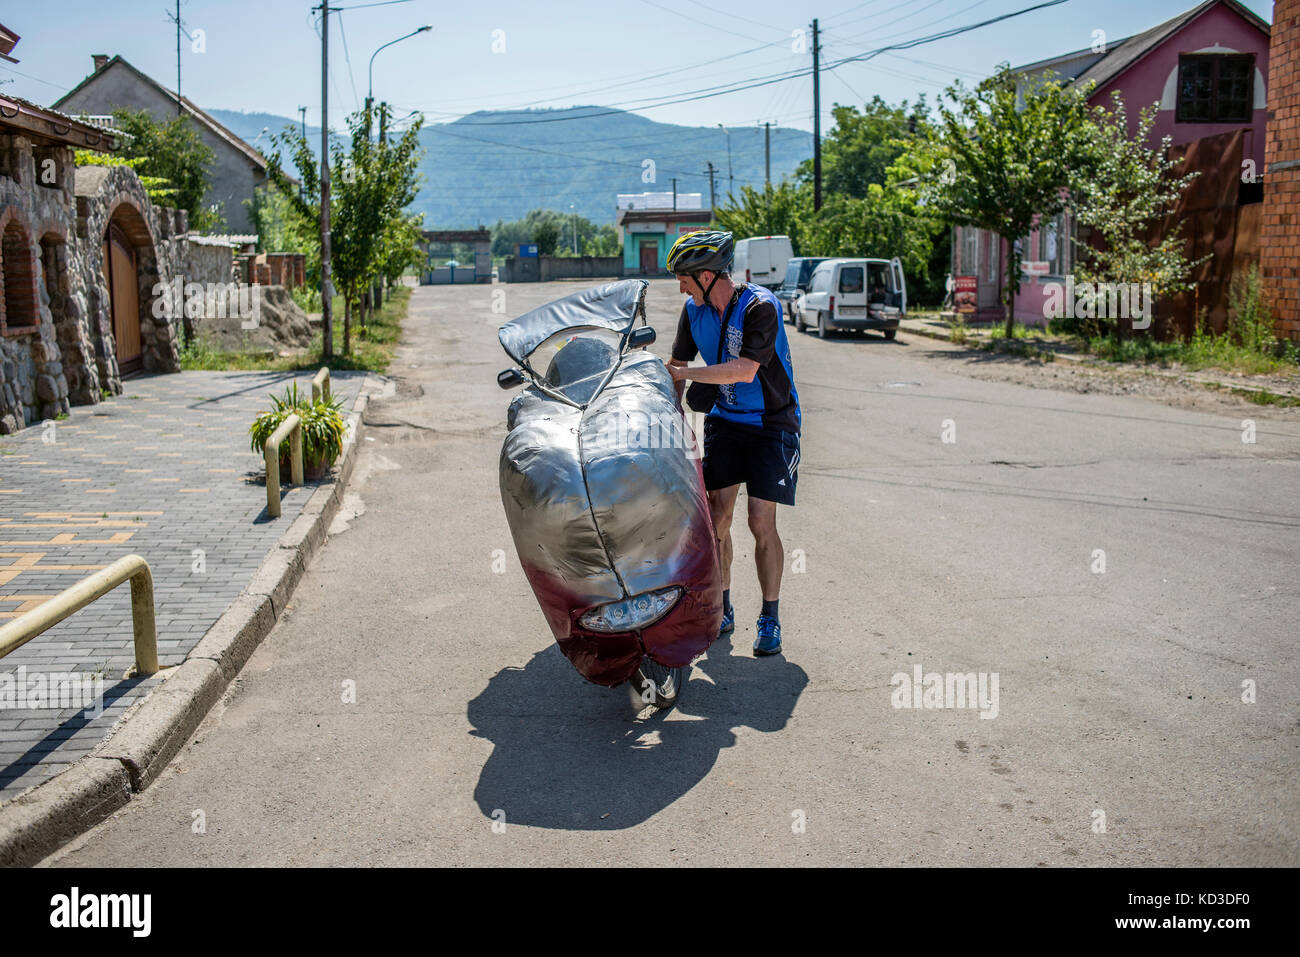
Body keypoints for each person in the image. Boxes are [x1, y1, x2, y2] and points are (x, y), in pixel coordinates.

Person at [664, 230, 801, 657]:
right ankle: (723, 607)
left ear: (706, 276)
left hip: (771, 424)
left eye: (685, 279)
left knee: (760, 521)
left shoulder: (761, 306)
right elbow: (676, 366)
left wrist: (684, 378)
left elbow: (743, 371)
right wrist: (664, 414)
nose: (682, 288)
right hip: (726, 421)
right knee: (717, 520)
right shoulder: (693, 311)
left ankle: (770, 618)